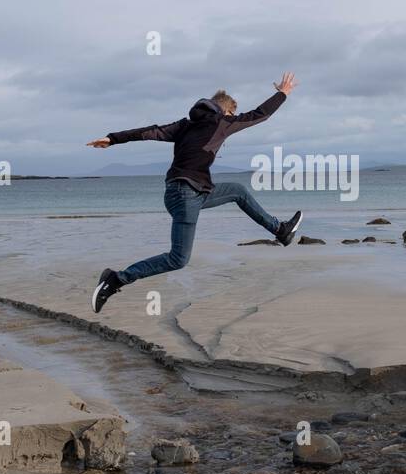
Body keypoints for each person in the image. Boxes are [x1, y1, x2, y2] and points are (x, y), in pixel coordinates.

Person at [86, 72, 303, 313]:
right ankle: (116, 278)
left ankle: (280, 230)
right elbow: (259, 115)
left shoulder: (183, 125)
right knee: (178, 259)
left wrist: (112, 139)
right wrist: (282, 94)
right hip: (187, 194)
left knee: (238, 191)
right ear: (225, 111)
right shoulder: (222, 122)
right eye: (232, 115)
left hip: (182, 193)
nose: (232, 121)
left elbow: (149, 131)